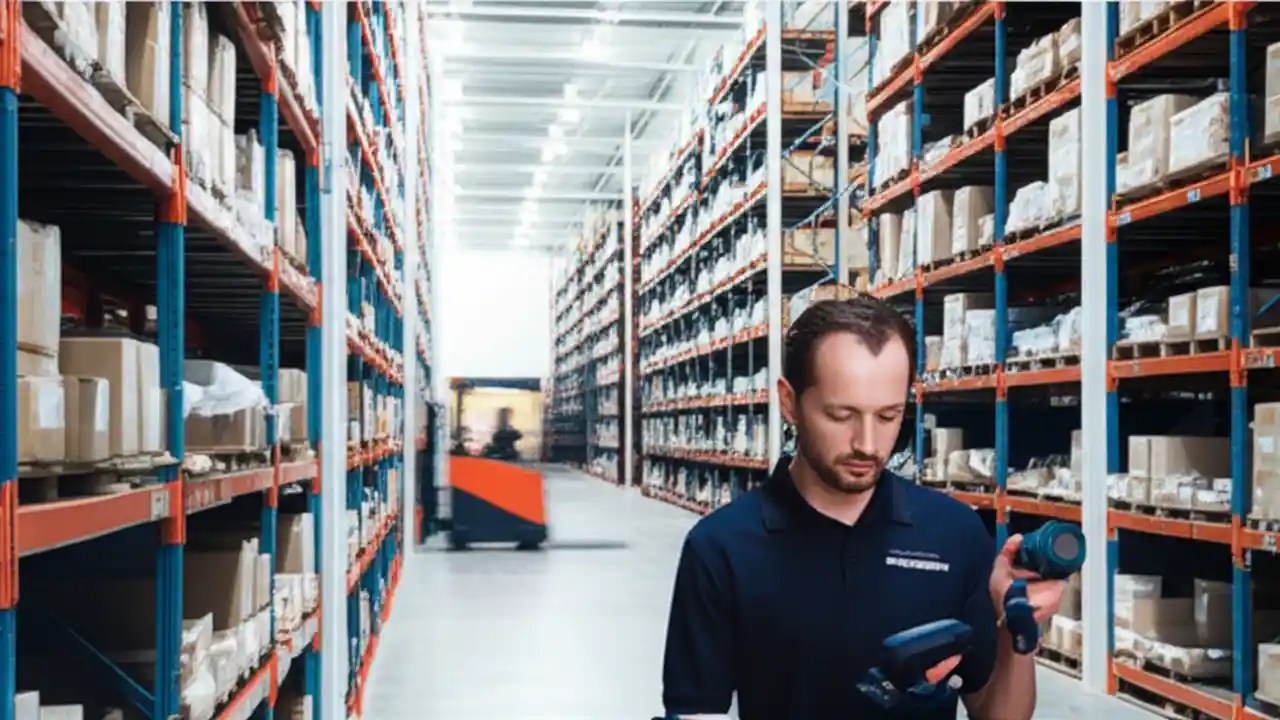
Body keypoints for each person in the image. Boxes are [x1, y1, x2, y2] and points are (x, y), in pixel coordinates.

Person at [660, 296, 1066, 719]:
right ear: (789, 402)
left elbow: (997, 714)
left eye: (888, 416)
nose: (868, 444)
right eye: (841, 415)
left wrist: (1014, 629)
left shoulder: (955, 535)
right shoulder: (721, 549)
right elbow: (696, 712)